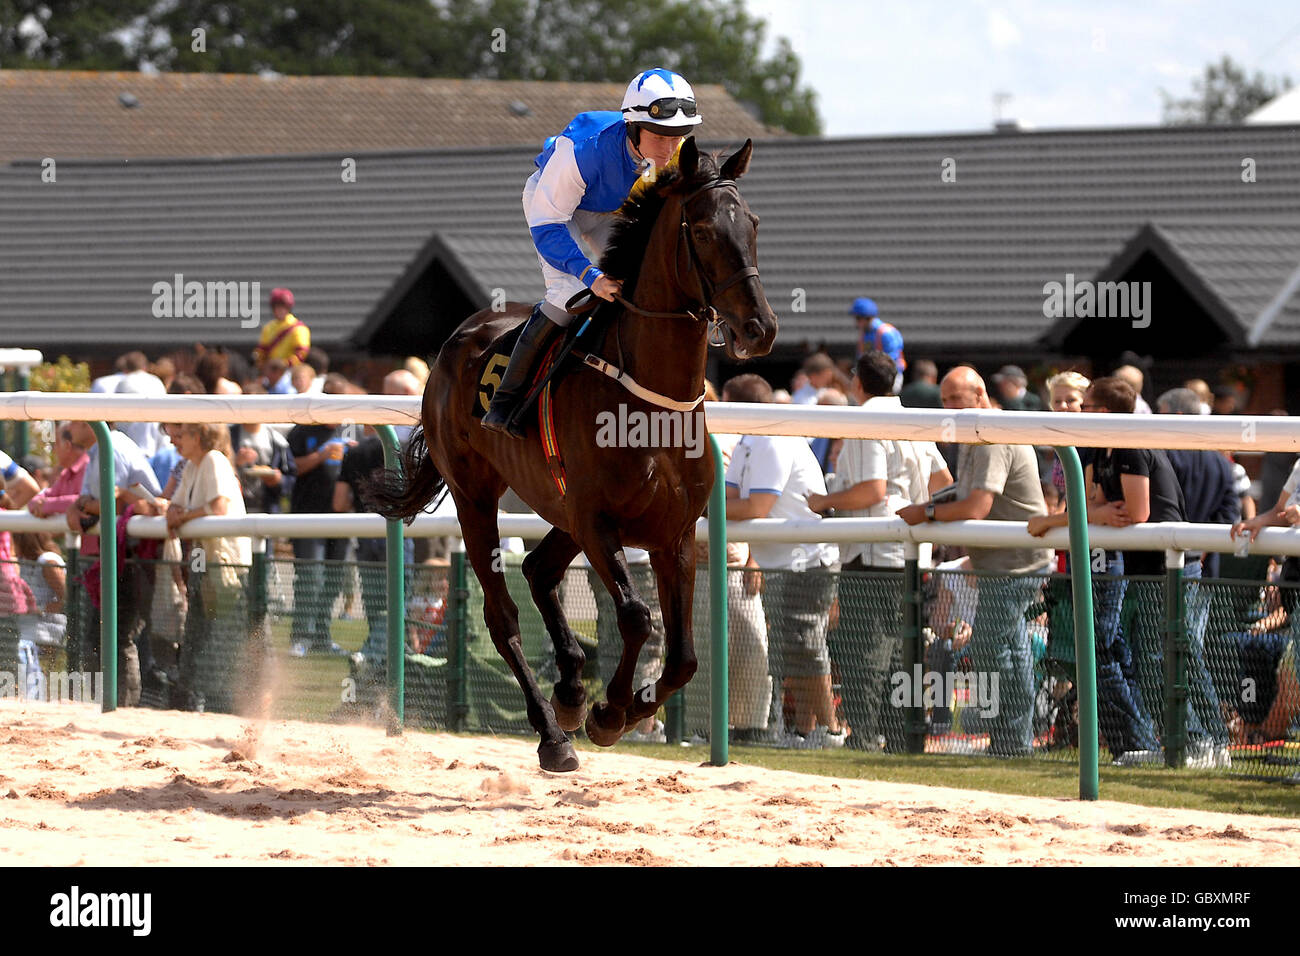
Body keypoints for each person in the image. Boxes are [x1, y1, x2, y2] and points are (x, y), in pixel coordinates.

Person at [482, 68, 701, 437]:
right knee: (569, 293)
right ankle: (506, 401)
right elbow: (548, 227)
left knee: (640, 278)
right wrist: (592, 276)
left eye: (679, 137)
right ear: (633, 126)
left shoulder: (672, 153)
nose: (670, 148)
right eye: (661, 136)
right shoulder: (582, 151)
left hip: (604, 209)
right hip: (554, 209)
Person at [898, 366, 1052, 757]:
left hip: (1016, 564)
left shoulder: (990, 435)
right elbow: (964, 493)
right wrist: (928, 507)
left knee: (992, 650)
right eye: (944, 400)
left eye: (956, 399)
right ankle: (1013, 741)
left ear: (980, 394)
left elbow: (977, 506)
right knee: (1011, 651)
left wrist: (927, 513)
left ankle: (1012, 740)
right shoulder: (975, 433)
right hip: (1002, 561)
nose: (948, 408)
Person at [807, 349, 952, 751]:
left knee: (867, 652)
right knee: (901, 650)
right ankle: (902, 735)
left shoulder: (867, 419)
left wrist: (823, 501)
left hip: (872, 555)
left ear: (856, 382)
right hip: (910, 552)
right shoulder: (913, 419)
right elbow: (945, 483)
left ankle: (866, 736)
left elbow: (872, 490)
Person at [1085, 377, 1222, 767]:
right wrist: (1097, 514)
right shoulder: (1105, 447)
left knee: (1180, 654)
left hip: (1171, 565)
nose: (1080, 414)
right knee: (1156, 658)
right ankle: (1184, 741)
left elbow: (1135, 514)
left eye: (1087, 407)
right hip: (1147, 568)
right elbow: (1097, 505)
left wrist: (1096, 513)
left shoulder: (1129, 444)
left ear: (1105, 413)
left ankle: (1208, 741)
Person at [723, 373, 845, 748]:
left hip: (808, 561)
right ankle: (806, 733)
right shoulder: (748, 440)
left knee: (805, 646)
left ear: (739, 406)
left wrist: (708, 510)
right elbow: (730, 499)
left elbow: (755, 506)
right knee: (794, 647)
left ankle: (831, 731)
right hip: (782, 560)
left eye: (725, 404)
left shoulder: (771, 440)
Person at [64, 420, 164, 706]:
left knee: (119, 637)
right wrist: (83, 505)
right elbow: (97, 500)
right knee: (100, 637)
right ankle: (108, 703)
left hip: (135, 556)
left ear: (90, 423)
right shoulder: (98, 450)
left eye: (74, 422)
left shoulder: (114, 448)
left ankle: (124, 706)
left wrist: (85, 505)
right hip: (120, 554)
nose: (70, 427)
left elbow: (115, 501)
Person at [167, 423, 253, 712]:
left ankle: (225, 702)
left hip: (226, 563)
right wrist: (172, 513)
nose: (174, 439)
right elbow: (176, 506)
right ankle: (202, 697)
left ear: (198, 436)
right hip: (206, 561)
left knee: (221, 632)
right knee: (202, 628)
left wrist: (182, 516)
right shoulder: (192, 466)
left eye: (182, 434)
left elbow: (218, 506)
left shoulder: (213, 460)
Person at [287, 418, 354, 656]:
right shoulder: (301, 431)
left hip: (342, 518)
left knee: (333, 581)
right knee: (310, 577)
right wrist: (322, 455)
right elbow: (291, 468)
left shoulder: (351, 427)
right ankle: (301, 637)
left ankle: (322, 637)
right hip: (308, 517)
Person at [13, 531, 66, 700]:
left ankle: (37, 698)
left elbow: (65, 595)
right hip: (28, 626)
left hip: (46, 628)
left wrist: (41, 610)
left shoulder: (47, 561)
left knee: (30, 659)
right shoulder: (25, 561)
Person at [849, 297, 905, 389]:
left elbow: (891, 362)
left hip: (889, 378)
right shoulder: (864, 334)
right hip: (871, 378)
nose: (856, 322)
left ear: (866, 317)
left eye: (857, 318)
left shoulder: (886, 333)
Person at [253, 287, 310, 369]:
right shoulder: (268, 327)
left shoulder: (299, 328)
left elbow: (302, 352)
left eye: (283, 307)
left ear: (288, 308)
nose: (279, 310)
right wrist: (261, 364)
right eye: (277, 307)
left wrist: (285, 364)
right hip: (271, 372)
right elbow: (262, 350)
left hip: (290, 370)